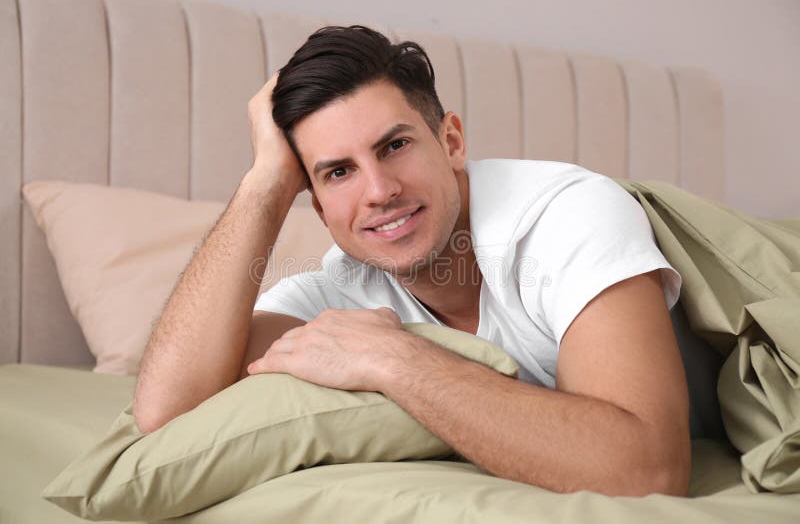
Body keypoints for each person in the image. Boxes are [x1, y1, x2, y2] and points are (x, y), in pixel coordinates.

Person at [133, 25, 691, 497]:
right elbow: (165, 411)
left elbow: (649, 468)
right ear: (320, 210)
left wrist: (395, 360)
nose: (379, 191)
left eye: (394, 145)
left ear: (450, 141)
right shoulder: (339, 288)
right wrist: (266, 184)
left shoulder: (567, 216)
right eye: (337, 173)